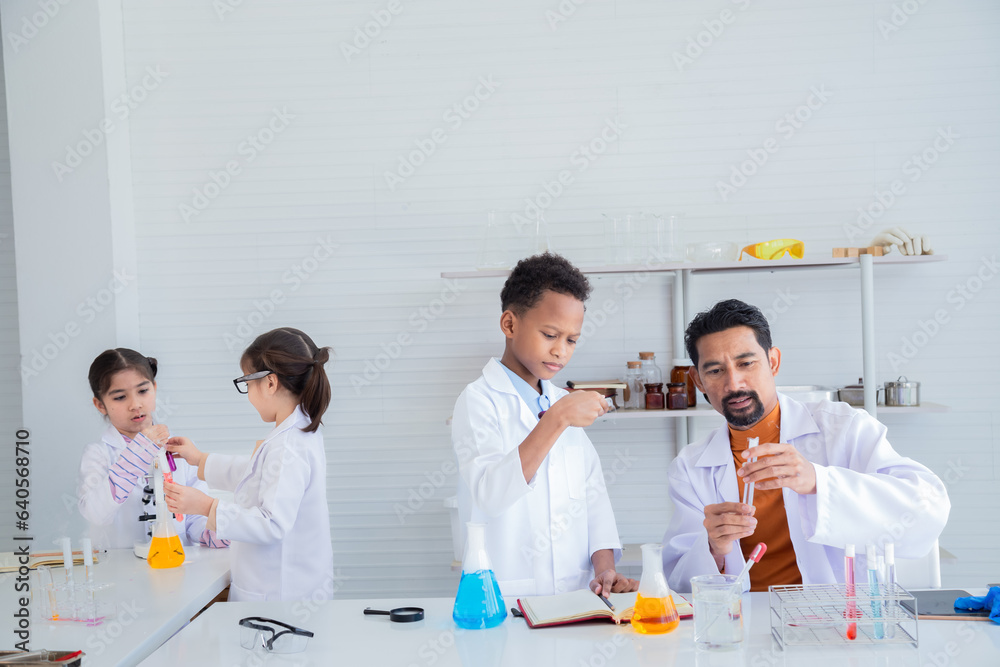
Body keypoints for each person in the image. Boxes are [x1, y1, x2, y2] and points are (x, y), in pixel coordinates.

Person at [662, 299, 950, 593]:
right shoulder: (689, 467)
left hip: (838, 620)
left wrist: (818, 481)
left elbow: (929, 509)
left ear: (773, 361)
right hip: (744, 622)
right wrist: (713, 547)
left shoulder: (844, 429)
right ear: (697, 380)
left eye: (746, 363)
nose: (734, 383)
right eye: (715, 371)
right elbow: (680, 583)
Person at [452, 252, 636, 599]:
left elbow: (593, 501)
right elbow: (490, 495)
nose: (561, 352)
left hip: (578, 598)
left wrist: (605, 569)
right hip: (509, 599)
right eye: (550, 334)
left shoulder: (560, 402)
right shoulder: (478, 401)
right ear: (510, 324)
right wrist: (558, 419)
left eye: (571, 340)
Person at [164, 327, 335, 602]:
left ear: (269, 383)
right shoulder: (298, 430)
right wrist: (200, 460)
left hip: (279, 595)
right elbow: (262, 475)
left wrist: (205, 506)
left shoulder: (288, 445)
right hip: (290, 587)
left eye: (247, 383)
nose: (248, 394)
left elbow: (272, 524)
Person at [77, 349, 228, 550]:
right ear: (100, 405)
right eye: (120, 397)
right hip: (123, 569)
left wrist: (218, 533)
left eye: (143, 391)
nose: (135, 404)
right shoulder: (98, 454)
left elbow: (192, 518)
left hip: (176, 563)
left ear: (154, 388)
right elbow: (96, 513)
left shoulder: (178, 447)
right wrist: (137, 455)